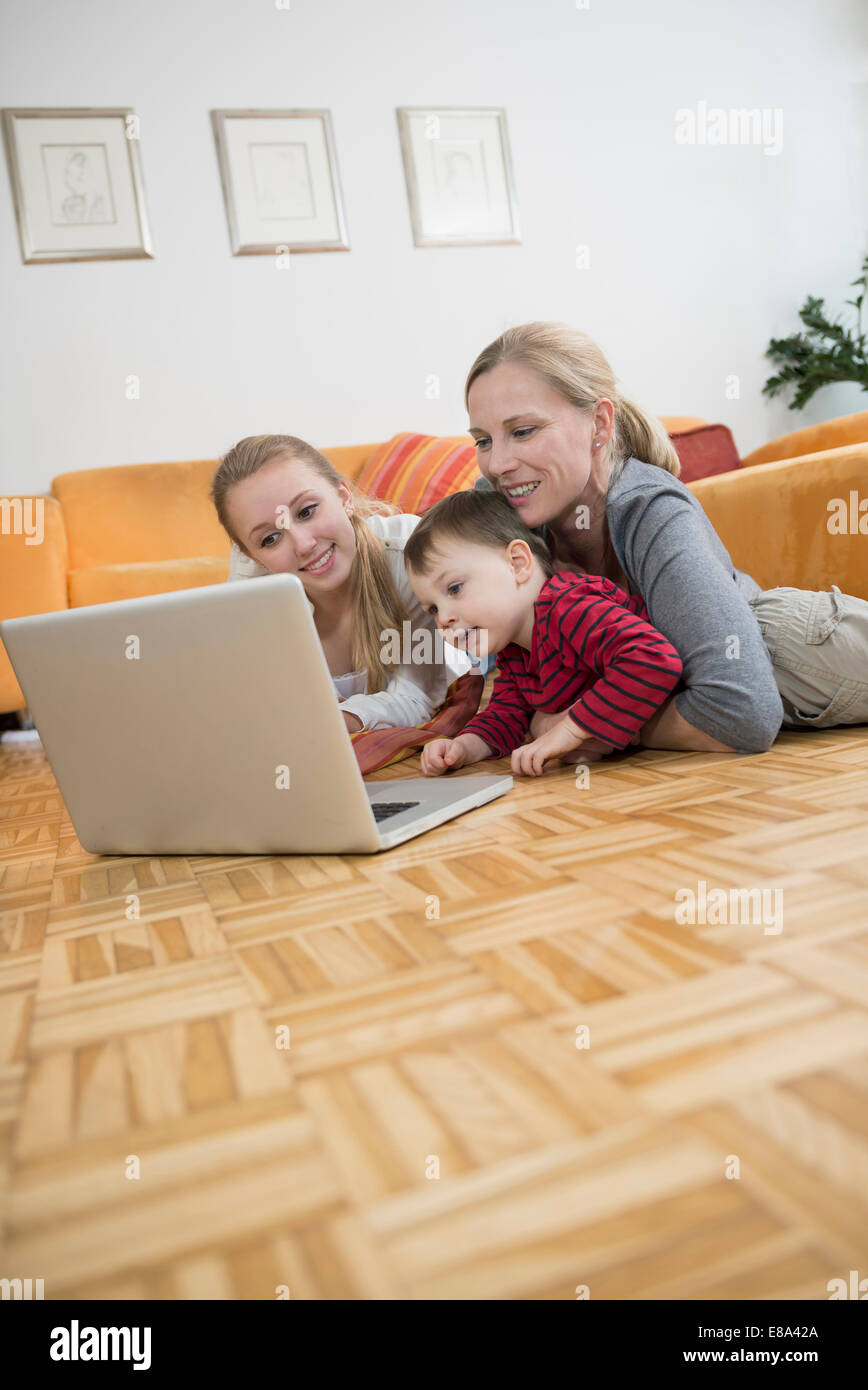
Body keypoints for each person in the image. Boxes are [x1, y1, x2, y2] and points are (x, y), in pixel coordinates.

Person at [466, 323, 868, 753]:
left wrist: (586, 726)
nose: (498, 463)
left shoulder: (650, 509)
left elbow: (743, 712)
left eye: (523, 431)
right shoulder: (500, 507)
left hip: (799, 648)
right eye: (484, 440)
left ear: (599, 424)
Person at [404, 489, 683, 776]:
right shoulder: (514, 651)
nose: (445, 619)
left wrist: (570, 730)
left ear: (518, 564)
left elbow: (654, 659)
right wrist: (461, 748)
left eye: (454, 588)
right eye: (433, 609)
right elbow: (507, 716)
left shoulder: (568, 607)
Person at [210, 434, 471, 733]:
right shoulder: (259, 604)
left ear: (345, 498)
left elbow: (416, 697)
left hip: (456, 661)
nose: (304, 545)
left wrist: (330, 722)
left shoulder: (407, 555)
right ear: (252, 557)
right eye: (270, 539)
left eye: (307, 511)